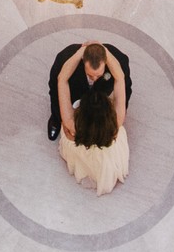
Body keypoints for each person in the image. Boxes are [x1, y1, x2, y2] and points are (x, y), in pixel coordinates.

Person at [52, 41, 130, 197]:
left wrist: (82, 51)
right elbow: (120, 77)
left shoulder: (71, 124)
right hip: (105, 156)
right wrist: (104, 51)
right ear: (108, 112)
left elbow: (62, 79)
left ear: (80, 111)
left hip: (82, 146)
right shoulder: (115, 123)